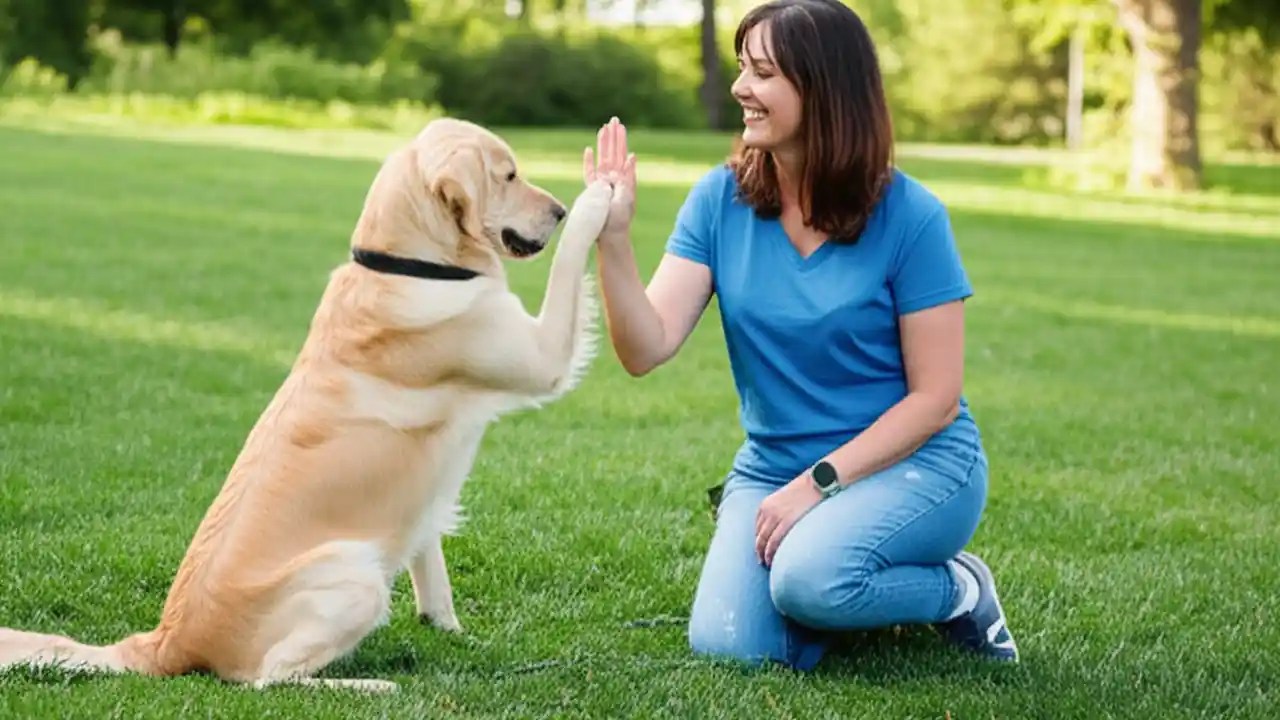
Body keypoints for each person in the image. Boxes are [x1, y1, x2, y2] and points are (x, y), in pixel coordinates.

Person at [581, 0, 1018, 671]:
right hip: (773, 469)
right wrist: (613, 240)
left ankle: (957, 590)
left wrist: (816, 486)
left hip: (917, 464)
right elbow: (645, 348)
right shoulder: (719, 200)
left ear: (823, 91)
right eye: (741, 68)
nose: (739, 89)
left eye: (762, 73)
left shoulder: (912, 217)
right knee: (730, 643)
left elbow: (936, 399)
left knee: (810, 581)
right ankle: (840, 581)